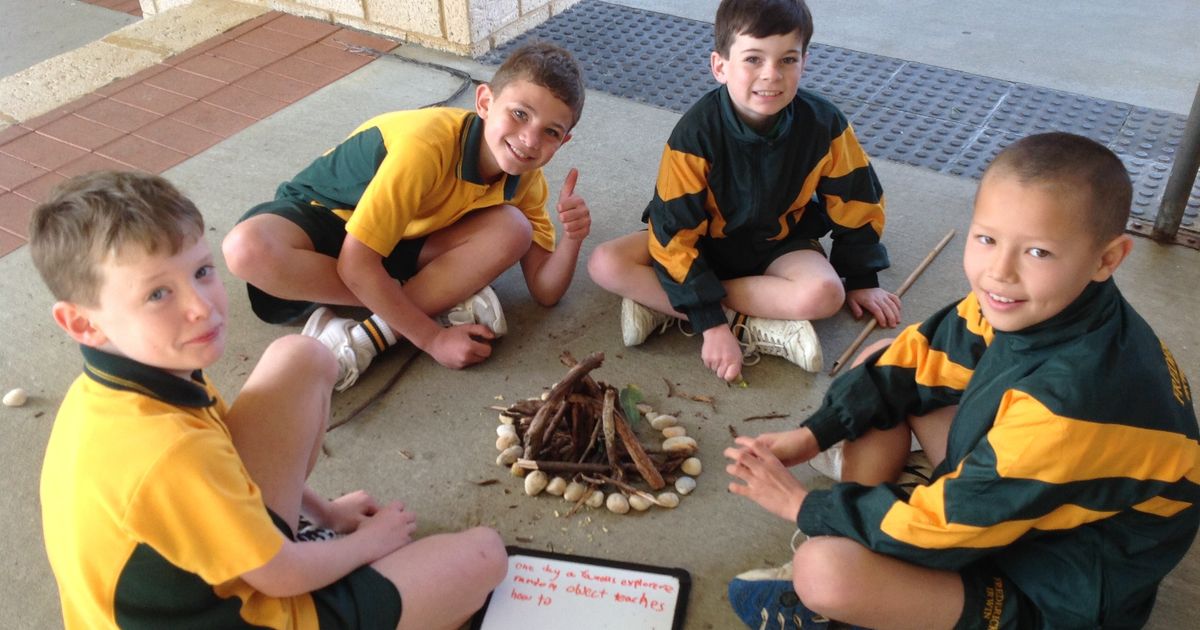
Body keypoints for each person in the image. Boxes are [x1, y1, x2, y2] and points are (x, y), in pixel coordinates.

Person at [723, 132, 1199, 629]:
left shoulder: (1072, 406)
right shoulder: (1037, 304)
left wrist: (803, 506)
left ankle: (877, 568)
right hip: (1031, 496)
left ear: (1107, 259)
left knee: (824, 574)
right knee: (885, 365)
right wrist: (813, 434)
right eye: (987, 239)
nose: (999, 273)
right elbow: (914, 362)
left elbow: (949, 526)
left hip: (1061, 589)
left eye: (1038, 252)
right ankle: (871, 540)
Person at [32, 171, 508, 630]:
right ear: (82, 323)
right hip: (250, 605)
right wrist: (369, 543)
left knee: (301, 356)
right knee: (484, 555)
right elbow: (281, 576)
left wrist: (326, 515)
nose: (201, 306)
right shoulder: (169, 451)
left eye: (201, 271)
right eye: (158, 294)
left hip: (198, 588)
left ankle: (319, 547)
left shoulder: (127, 383)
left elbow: (224, 467)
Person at [223, 42, 590, 391]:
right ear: (484, 102)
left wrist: (573, 237)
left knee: (514, 228)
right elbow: (355, 265)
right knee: (246, 249)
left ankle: (367, 335)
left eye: (550, 132)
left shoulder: (527, 181)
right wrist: (432, 338)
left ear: (564, 142)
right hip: (324, 215)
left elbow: (545, 291)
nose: (530, 139)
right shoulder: (428, 145)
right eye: (520, 114)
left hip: (403, 241)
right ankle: (431, 299)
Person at [587, 0, 899, 382]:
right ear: (720, 66)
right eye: (753, 59)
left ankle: (664, 304)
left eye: (788, 60)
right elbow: (674, 233)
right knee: (604, 262)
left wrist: (862, 279)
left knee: (826, 294)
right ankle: (746, 322)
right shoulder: (694, 134)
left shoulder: (825, 123)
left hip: (780, 244)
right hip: (703, 243)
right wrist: (712, 325)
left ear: (804, 62)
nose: (772, 75)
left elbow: (858, 199)